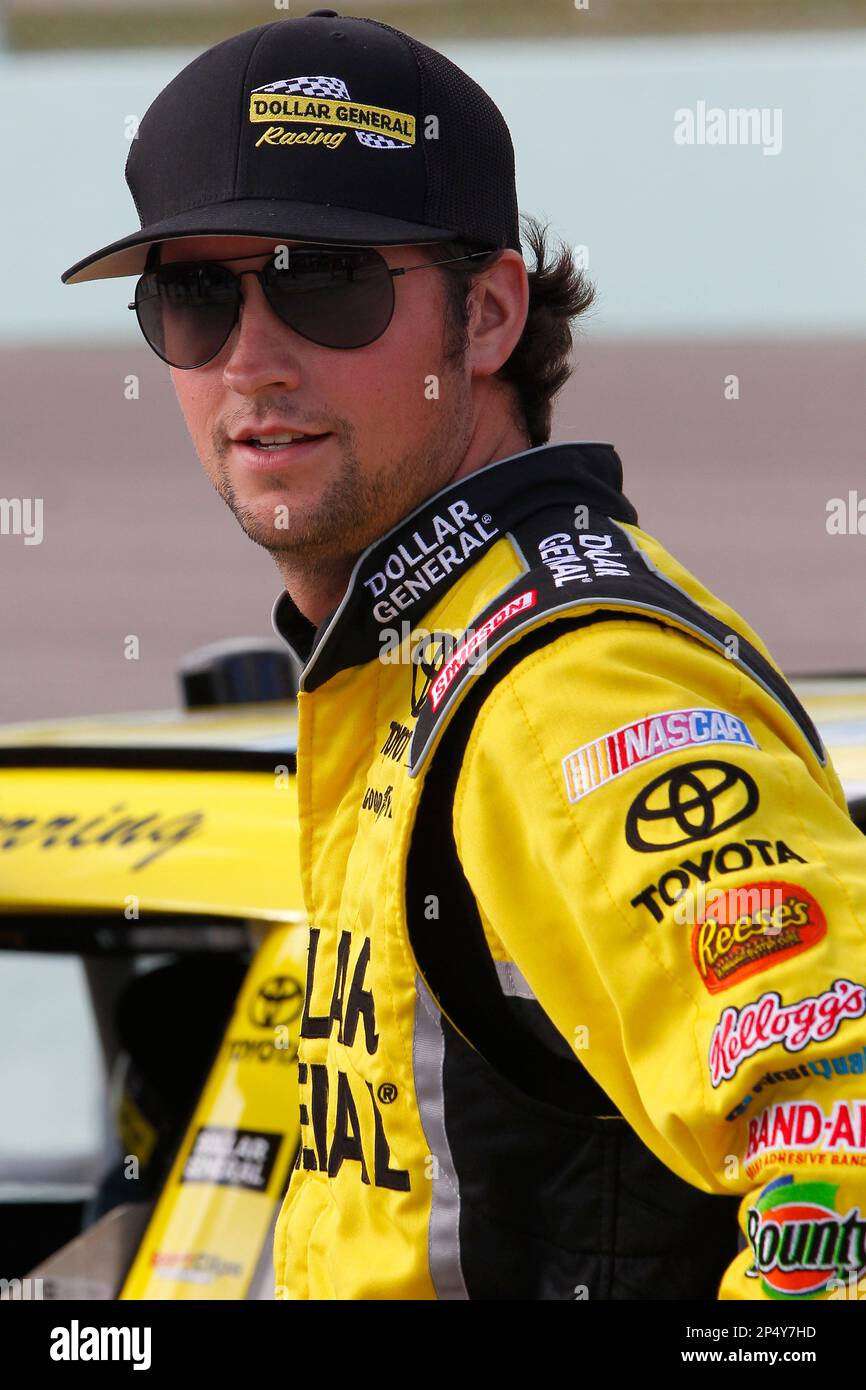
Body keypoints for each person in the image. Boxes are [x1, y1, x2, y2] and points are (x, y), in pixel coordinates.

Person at [62, 11, 866, 1302]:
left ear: (486, 316)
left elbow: (845, 1151)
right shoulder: (407, 656)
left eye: (323, 280)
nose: (250, 360)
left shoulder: (567, 690)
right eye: (196, 294)